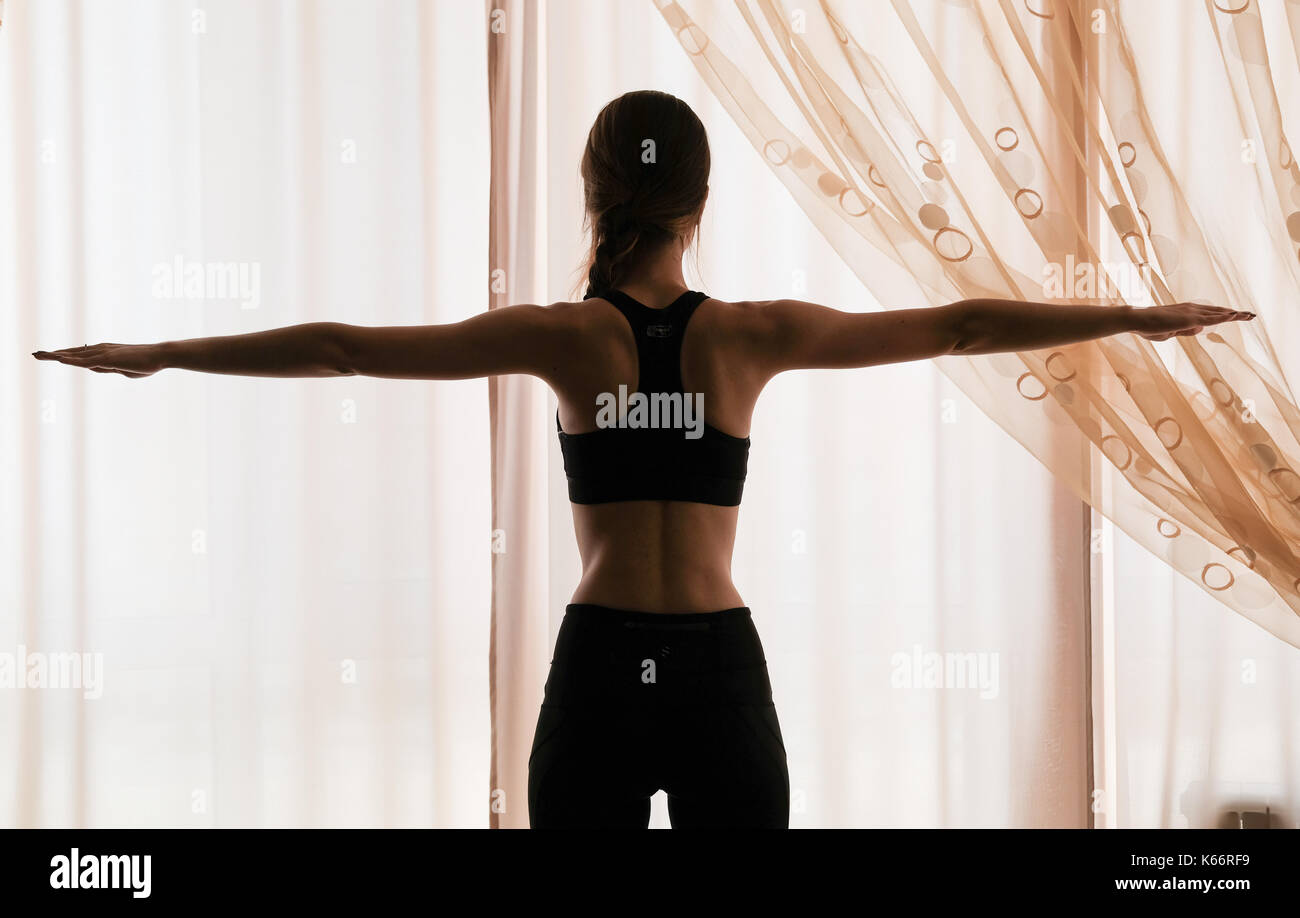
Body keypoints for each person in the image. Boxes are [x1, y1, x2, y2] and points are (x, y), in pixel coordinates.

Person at [32, 89, 1253, 828]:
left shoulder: (564, 338)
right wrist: (1135, 316)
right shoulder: (753, 335)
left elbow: (346, 349)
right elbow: (962, 325)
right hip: (716, 665)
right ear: (699, 201)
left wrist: (167, 349)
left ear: (592, 192)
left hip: (607, 662)